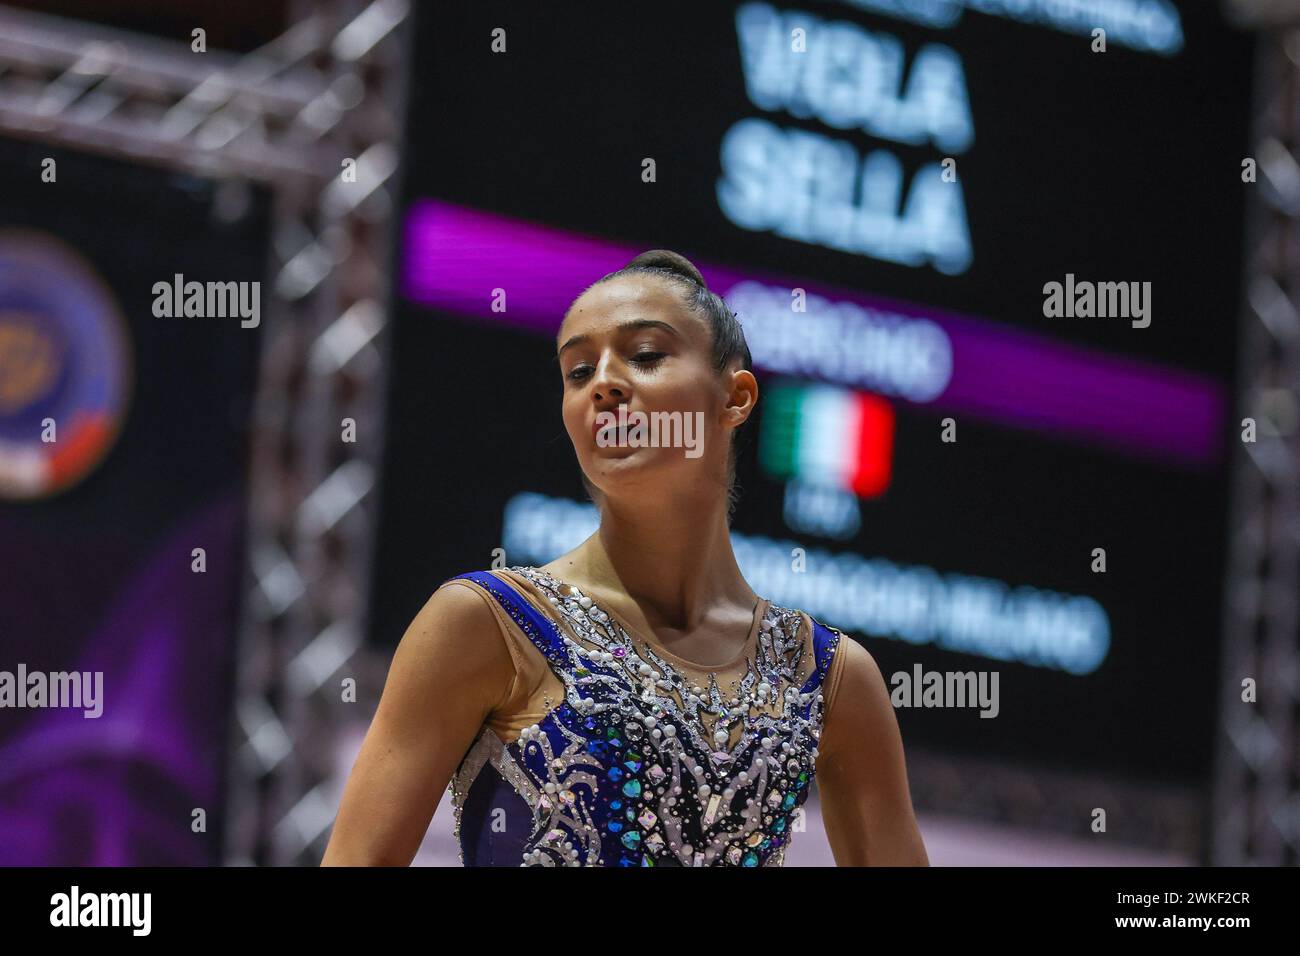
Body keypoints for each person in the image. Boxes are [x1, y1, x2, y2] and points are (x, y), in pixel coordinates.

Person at [321, 250, 928, 867]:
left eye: (645, 355)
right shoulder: (485, 624)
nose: (605, 383)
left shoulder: (829, 677)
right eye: (579, 371)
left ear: (736, 397)